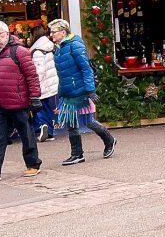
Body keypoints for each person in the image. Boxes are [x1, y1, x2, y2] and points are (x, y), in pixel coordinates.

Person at [0, 21, 41, 183]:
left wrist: (34, 97)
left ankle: (33, 164)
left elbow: (32, 76)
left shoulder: (20, 52)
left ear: (7, 34)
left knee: (26, 135)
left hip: (18, 102)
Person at [49, 19, 117, 165]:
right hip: (68, 92)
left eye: (54, 32)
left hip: (81, 91)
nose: (51, 34)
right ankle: (77, 154)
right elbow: (62, 74)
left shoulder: (75, 45)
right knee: (70, 123)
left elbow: (86, 69)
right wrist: (61, 91)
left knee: (88, 121)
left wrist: (90, 90)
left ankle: (109, 140)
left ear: (63, 32)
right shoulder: (58, 48)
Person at [29, 25, 60, 141]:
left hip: (41, 84)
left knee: (39, 108)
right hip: (51, 82)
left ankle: (43, 126)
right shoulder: (50, 47)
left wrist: (34, 85)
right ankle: (50, 132)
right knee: (47, 108)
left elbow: (39, 70)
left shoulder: (37, 50)